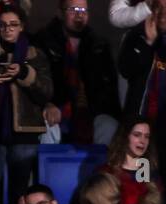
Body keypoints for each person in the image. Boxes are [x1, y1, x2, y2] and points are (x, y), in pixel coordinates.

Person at [0, 4, 52, 196]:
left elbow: (46, 91)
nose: (8, 29)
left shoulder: (34, 53)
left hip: (25, 130)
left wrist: (24, 72)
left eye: (13, 24)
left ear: (22, 26)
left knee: (21, 190)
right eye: (3, 25)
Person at [34, 0, 122, 147]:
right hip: (56, 106)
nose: (79, 15)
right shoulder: (43, 40)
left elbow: (109, 89)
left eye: (83, 10)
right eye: (73, 9)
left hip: (90, 110)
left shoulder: (99, 44)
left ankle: (102, 170)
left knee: (109, 126)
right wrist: (47, 104)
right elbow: (37, 82)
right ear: (60, 13)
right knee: (47, 125)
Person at [117, 0, 166, 163]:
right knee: (144, 182)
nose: (162, 12)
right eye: (157, 6)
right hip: (143, 135)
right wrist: (147, 44)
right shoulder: (137, 35)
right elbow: (125, 69)